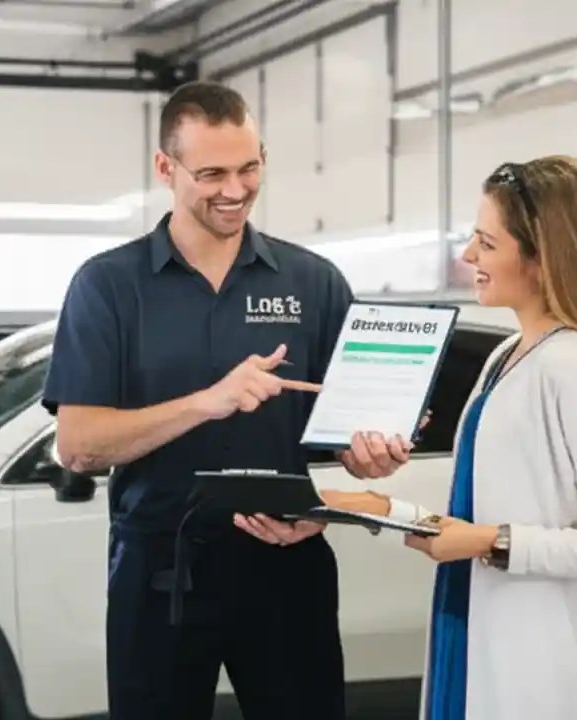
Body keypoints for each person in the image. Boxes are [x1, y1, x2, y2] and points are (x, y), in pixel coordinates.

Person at [41, 80, 411, 720]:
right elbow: (78, 447)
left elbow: (353, 434)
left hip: (287, 564)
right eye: (211, 173)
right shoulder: (107, 287)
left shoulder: (313, 282)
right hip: (161, 572)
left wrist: (373, 454)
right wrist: (209, 400)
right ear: (166, 167)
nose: (235, 190)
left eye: (250, 167)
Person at [322, 155, 577, 720]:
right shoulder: (508, 356)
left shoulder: (576, 368)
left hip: (545, 669)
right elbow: (481, 514)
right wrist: (369, 507)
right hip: (477, 627)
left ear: (544, 257)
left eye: (486, 242)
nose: (467, 257)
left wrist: (486, 543)